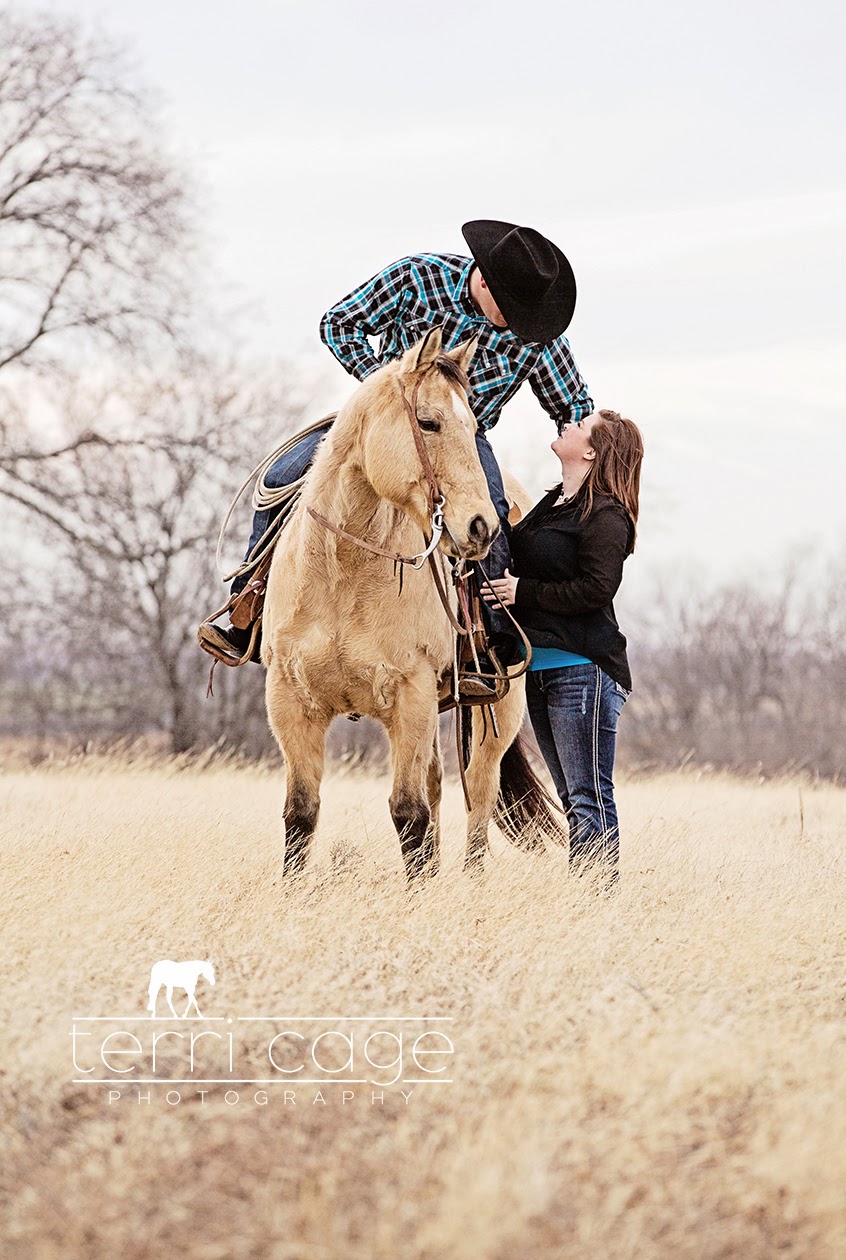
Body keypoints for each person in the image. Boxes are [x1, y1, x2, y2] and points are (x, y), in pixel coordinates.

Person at [198, 220, 594, 667]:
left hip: (462, 436)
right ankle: (248, 607)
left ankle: (487, 641)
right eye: (511, 309)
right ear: (484, 279)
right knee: (282, 477)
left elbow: (575, 404)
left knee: (493, 513)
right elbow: (339, 323)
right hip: (379, 422)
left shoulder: (535, 331)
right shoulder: (416, 277)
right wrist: (384, 388)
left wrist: (578, 471)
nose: (517, 323)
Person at [481, 410, 643, 889]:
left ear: (591, 451)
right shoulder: (554, 502)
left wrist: (523, 593)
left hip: (585, 671)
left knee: (589, 793)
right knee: (573, 797)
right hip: (541, 669)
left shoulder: (608, 514)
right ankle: (585, 898)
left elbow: (597, 589)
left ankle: (594, 904)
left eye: (580, 425)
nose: (568, 424)